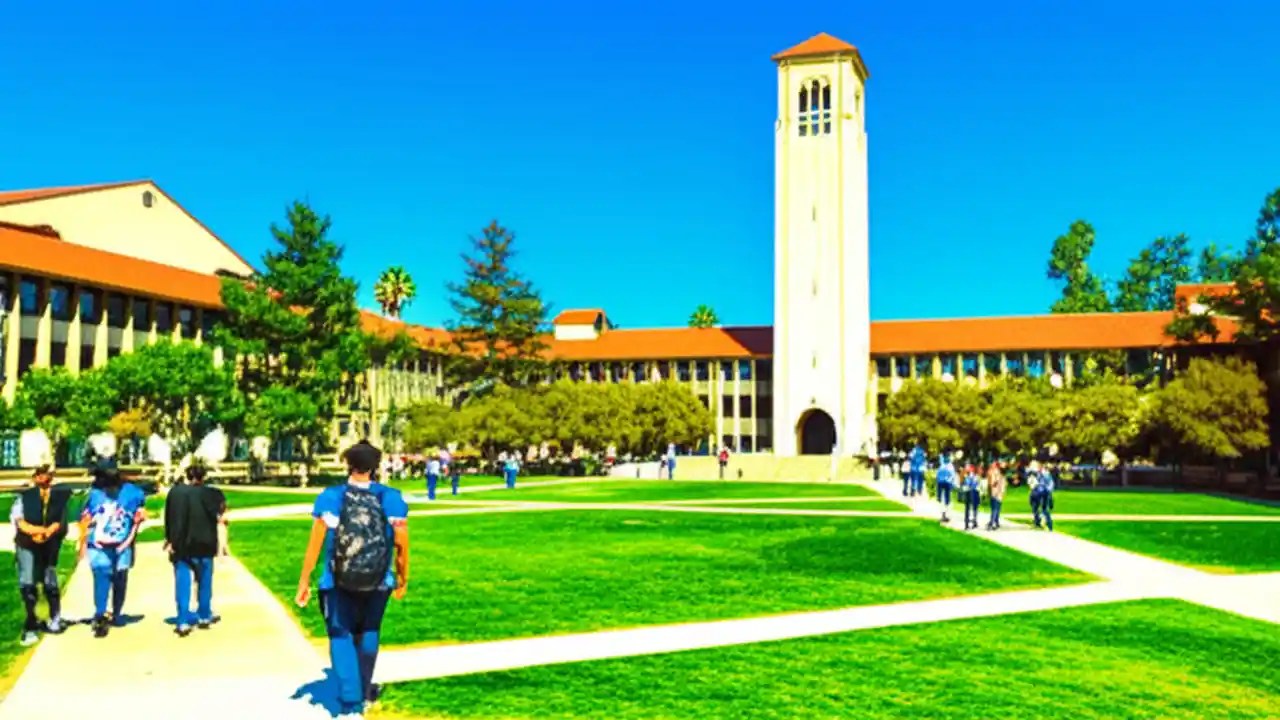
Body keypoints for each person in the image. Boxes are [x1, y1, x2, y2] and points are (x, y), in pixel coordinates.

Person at [295, 441, 410, 718]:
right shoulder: (390, 498)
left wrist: (304, 580)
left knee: (340, 634)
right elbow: (402, 543)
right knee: (370, 631)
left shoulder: (330, 497)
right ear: (376, 466)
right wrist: (403, 577)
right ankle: (364, 687)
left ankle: (350, 700)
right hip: (379, 579)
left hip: (336, 580)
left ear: (348, 464)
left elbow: (316, 542)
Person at [78, 458, 147, 638]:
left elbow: (139, 509)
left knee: (120, 578)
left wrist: (139, 516)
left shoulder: (132, 493)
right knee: (101, 575)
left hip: (122, 544)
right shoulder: (93, 494)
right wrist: (83, 543)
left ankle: (116, 612)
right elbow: (85, 519)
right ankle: (101, 612)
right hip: (98, 545)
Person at [10, 465, 71, 646]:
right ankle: (31, 622)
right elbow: (20, 522)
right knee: (27, 583)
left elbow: (60, 522)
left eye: (46, 474)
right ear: (35, 477)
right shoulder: (24, 497)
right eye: (39, 474)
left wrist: (48, 532)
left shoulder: (59, 496)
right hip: (27, 545)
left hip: (49, 545)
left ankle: (55, 618)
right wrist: (36, 532)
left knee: (49, 582)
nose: (43, 477)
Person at [164, 465, 226, 636]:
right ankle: (204, 615)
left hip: (182, 543)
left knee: (183, 583)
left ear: (187, 475)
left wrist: (169, 539)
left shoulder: (176, 493)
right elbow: (222, 517)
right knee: (205, 581)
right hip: (205, 543)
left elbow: (170, 517)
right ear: (204, 476)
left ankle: (183, 619)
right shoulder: (214, 494)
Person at [934, 454, 956, 523]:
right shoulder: (950, 466)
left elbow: (937, 475)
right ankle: (945, 515)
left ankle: (944, 515)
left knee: (943, 499)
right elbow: (952, 476)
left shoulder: (942, 466)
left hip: (942, 483)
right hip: (946, 483)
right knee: (946, 500)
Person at [986, 462, 1007, 530]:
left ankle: (992, 523)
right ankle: (995, 522)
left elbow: (994, 483)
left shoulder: (997, 474)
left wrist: (993, 484)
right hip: (997, 493)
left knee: (994, 509)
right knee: (996, 508)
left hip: (996, 493)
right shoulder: (1001, 475)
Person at [961, 464, 982, 530]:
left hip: (968, 493)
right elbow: (976, 485)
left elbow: (964, 485)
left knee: (968, 509)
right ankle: (973, 522)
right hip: (973, 493)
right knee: (974, 508)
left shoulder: (966, 476)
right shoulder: (974, 477)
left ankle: (968, 524)